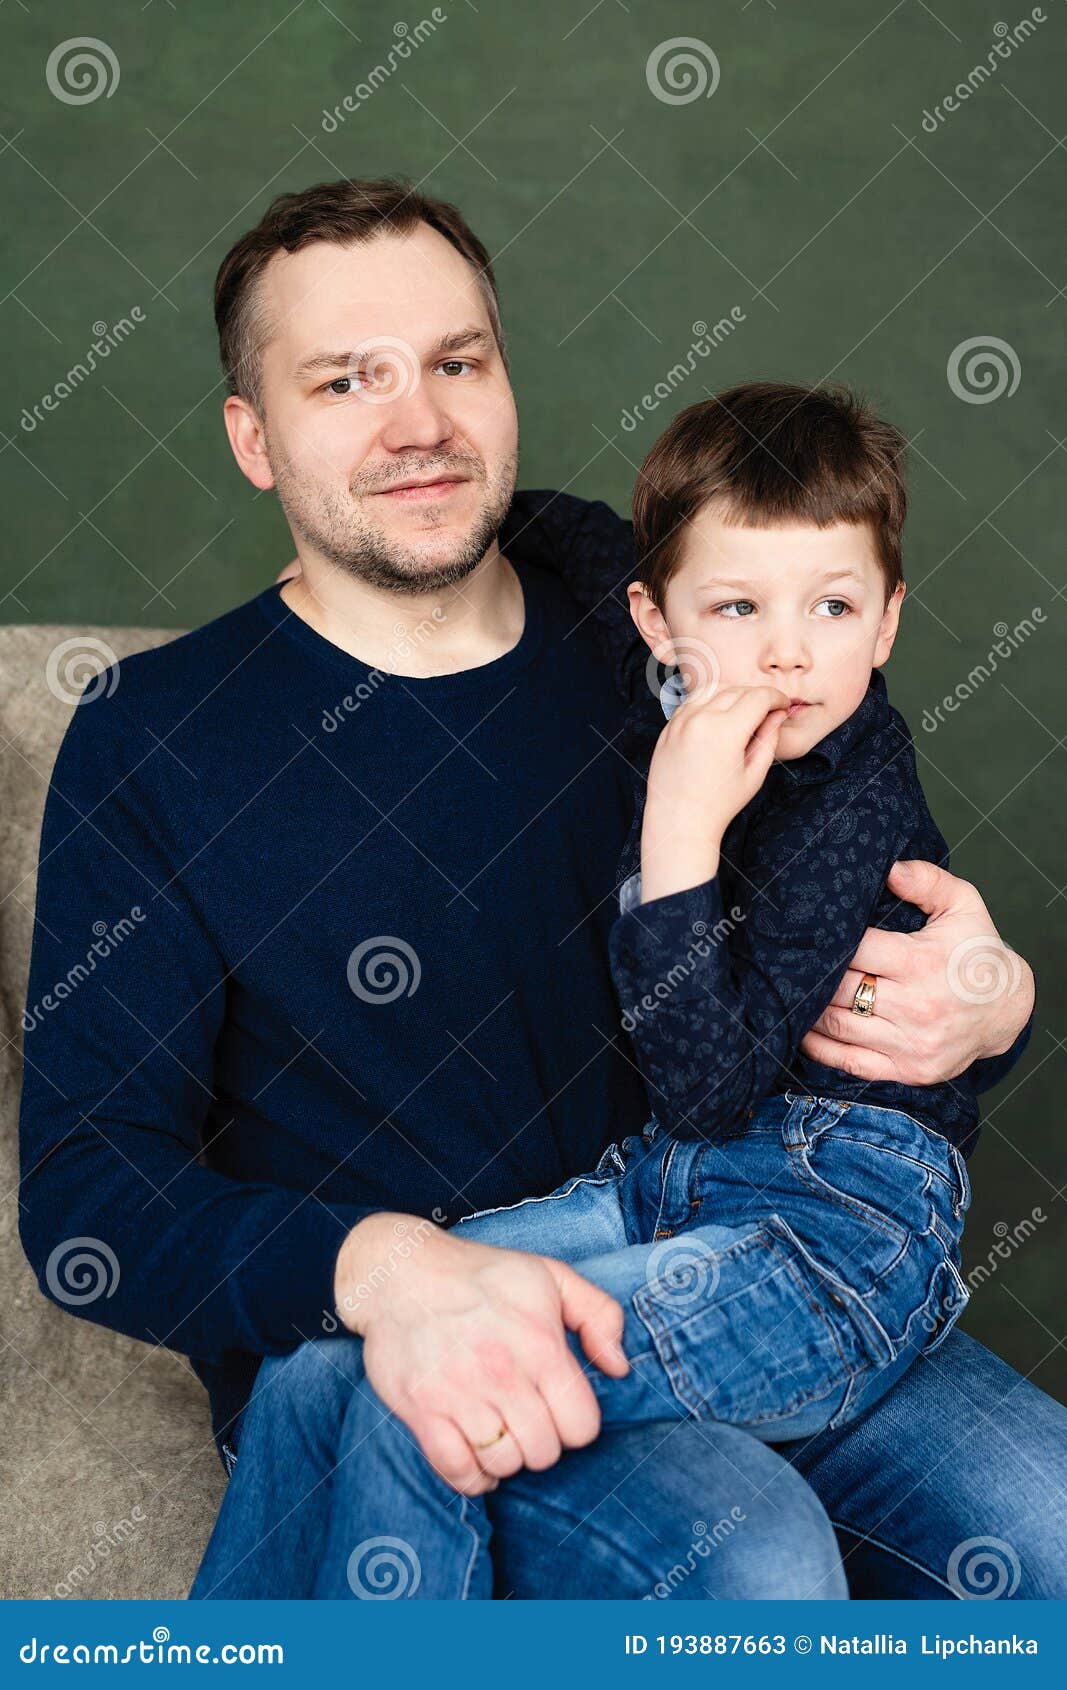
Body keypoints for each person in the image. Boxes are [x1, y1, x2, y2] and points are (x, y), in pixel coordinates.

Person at [17, 179, 1058, 1602]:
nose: (418, 425)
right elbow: (91, 1199)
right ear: (253, 440)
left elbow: (843, 857)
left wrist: (985, 994)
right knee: (749, 1561)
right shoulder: (158, 736)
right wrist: (380, 1270)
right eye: (344, 380)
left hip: (744, 1248)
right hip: (436, 1338)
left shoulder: (659, 608)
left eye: (455, 362)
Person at [262, 380, 1017, 1598]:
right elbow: (554, 522)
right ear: (653, 619)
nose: (785, 650)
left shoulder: (853, 800)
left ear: (884, 624)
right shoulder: (642, 644)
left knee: (449, 1381)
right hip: (669, 1190)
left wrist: (679, 841)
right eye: (735, 605)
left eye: (833, 606)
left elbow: (711, 1087)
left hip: (835, 1233)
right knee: (354, 1332)